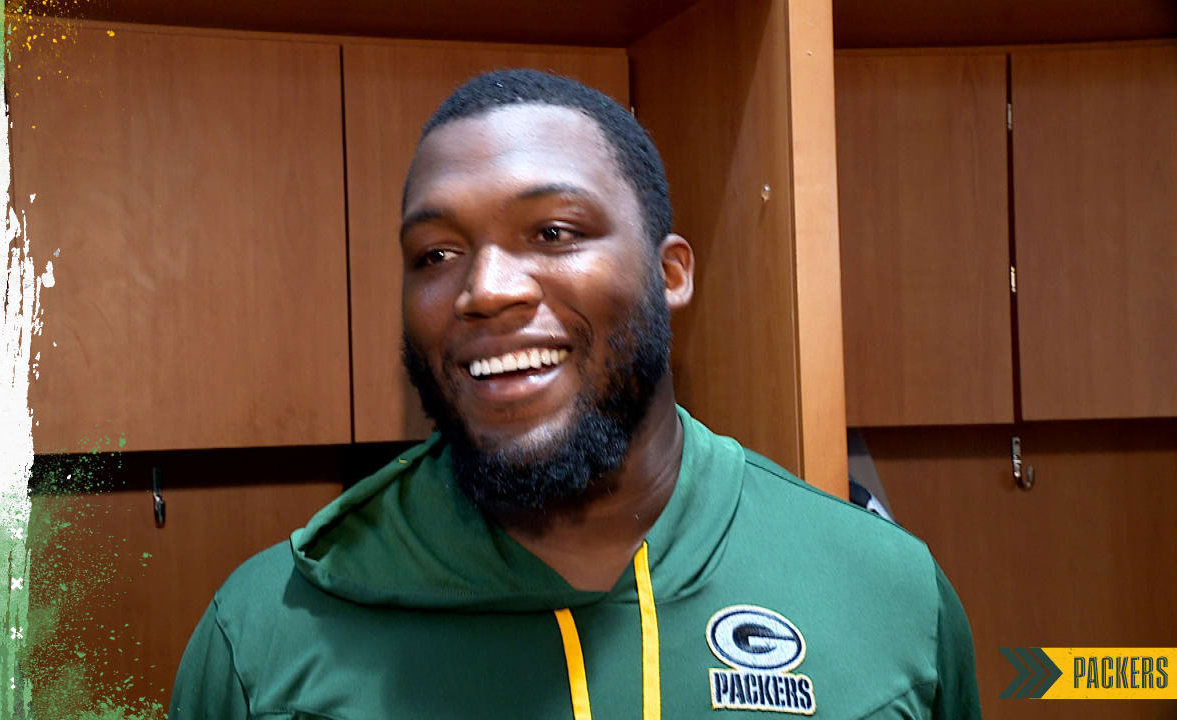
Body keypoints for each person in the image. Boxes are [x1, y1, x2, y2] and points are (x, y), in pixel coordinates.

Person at [170, 69, 981, 719]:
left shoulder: (889, 595)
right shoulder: (265, 637)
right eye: (435, 253)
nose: (483, 289)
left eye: (553, 233)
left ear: (670, 274)